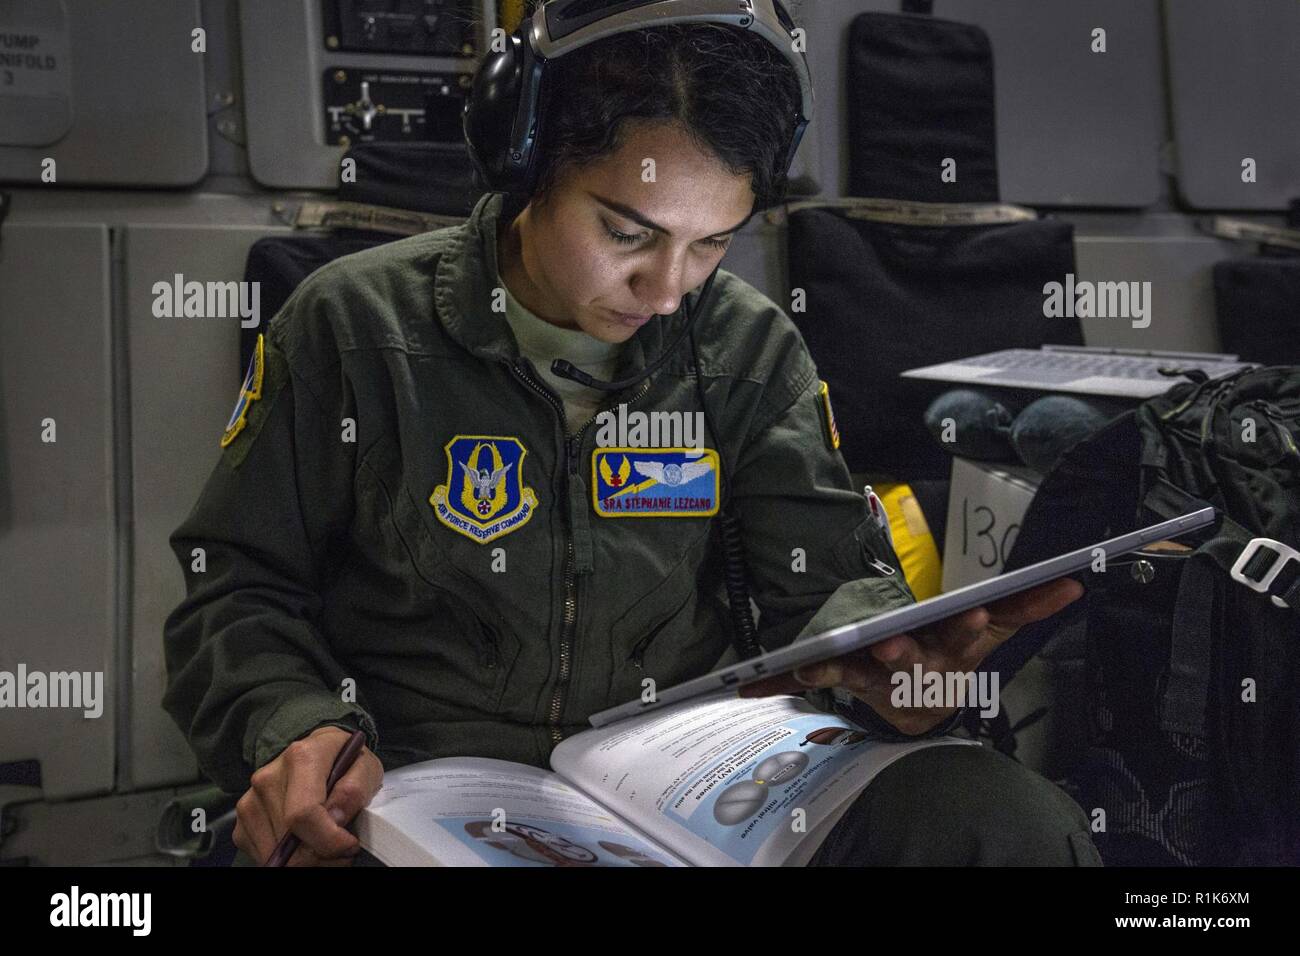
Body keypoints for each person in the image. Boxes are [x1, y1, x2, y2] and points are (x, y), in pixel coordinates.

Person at [162, 5, 1097, 867]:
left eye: (711, 243)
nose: (668, 290)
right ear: (531, 168)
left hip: (685, 790)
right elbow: (236, 591)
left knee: (1001, 821)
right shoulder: (354, 327)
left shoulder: (745, 347)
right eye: (626, 232)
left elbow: (818, 587)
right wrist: (294, 728)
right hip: (407, 784)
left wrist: (884, 662)